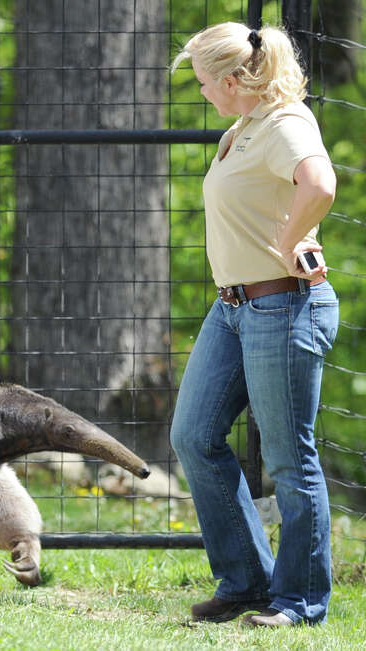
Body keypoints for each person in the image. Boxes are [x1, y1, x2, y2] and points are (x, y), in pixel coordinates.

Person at [169, 23, 339, 627]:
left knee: (291, 461)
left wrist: (291, 239)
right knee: (193, 435)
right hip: (233, 309)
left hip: (284, 306)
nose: (203, 93)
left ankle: (298, 602)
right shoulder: (241, 128)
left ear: (235, 80)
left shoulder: (285, 123)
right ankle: (245, 583)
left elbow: (319, 184)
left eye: (204, 84)